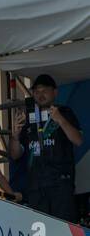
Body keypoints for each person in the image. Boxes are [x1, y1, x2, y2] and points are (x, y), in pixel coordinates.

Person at [11, 73, 83, 222]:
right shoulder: (28, 119)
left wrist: (60, 120)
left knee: (63, 233)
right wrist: (15, 136)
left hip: (60, 186)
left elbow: (78, 140)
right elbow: (15, 155)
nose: (40, 94)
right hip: (35, 189)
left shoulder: (65, 113)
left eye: (44, 90)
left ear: (55, 92)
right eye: (36, 91)